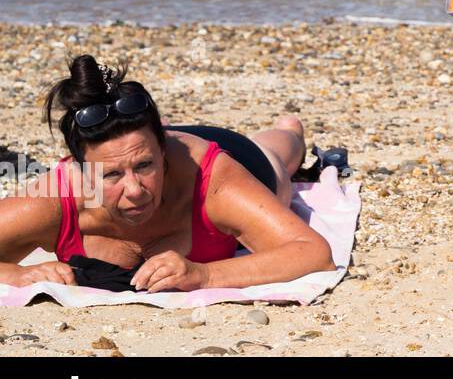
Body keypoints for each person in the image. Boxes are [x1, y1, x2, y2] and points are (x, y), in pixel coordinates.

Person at [0, 55, 334, 291]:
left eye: (144, 168)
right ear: (82, 172)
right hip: (144, 139)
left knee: (278, 155)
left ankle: (291, 130)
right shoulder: (54, 200)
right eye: (111, 175)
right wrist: (16, 274)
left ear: (162, 152)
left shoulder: (214, 181)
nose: (134, 190)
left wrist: (203, 275)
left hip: (239, 158)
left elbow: (314, 253)